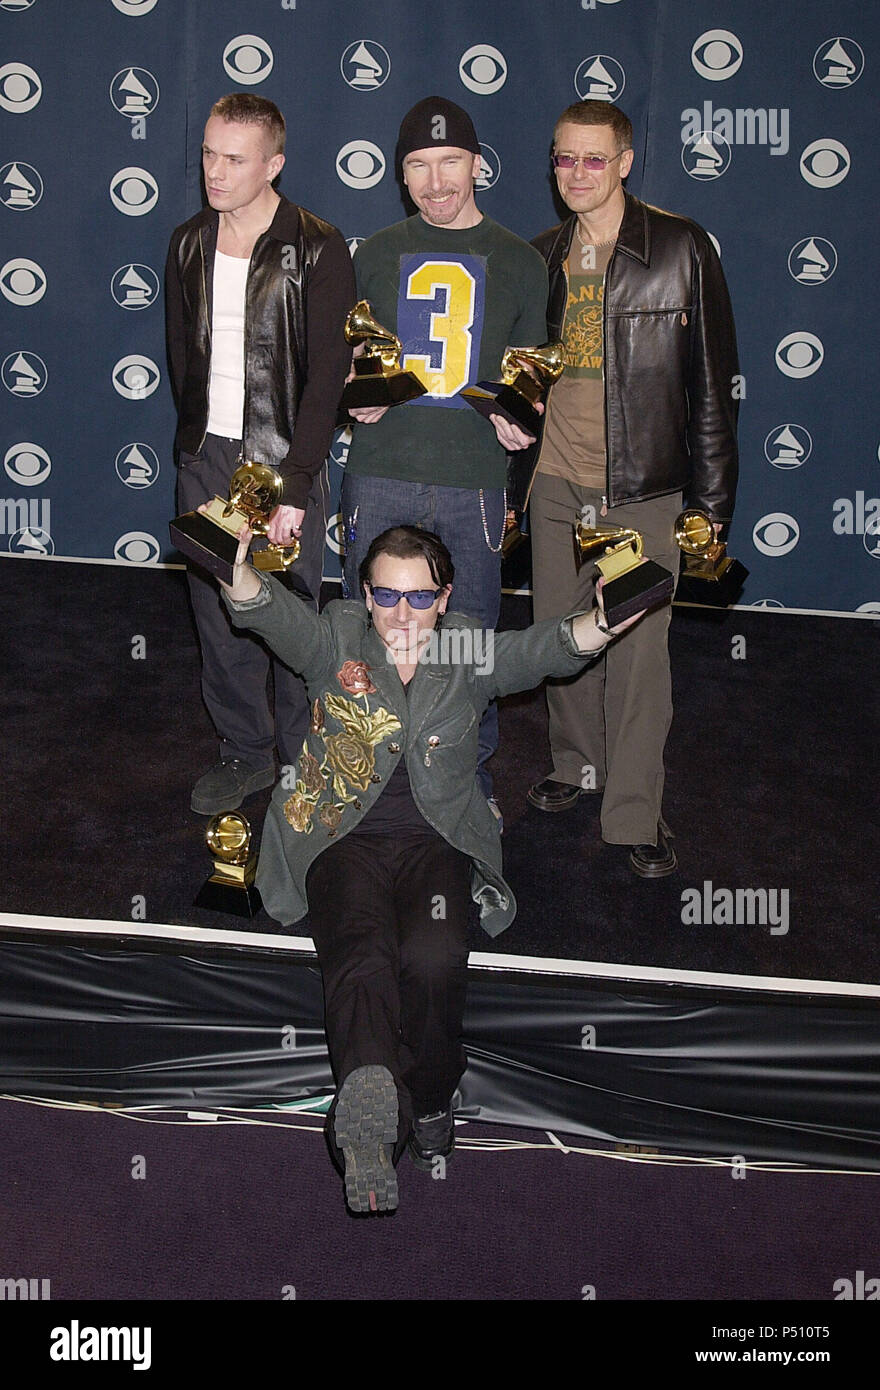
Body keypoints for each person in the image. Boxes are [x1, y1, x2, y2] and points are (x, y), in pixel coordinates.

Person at [218, 523, 641, 1213]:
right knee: (361, 957)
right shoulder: (337, 638)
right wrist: (232, 569)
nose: (401, 614)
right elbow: (270, 614)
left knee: (436, 955)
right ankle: (371, 1129)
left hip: (436, 841)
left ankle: (434, 1093)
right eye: (385, 594)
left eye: (419, 598)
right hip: (340, 837)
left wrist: (603, 621)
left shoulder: (468, 651)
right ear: (364, 591)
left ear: (444, 599)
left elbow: (544, 654)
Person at [514, 100, 739, 877]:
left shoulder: (679, 249)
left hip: (642, 490)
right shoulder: (542, 254)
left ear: (626, 161)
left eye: (592, 159)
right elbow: (529, 381)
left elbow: (712, 390)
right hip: (553, 484)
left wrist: (709, 512)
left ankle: (635, 811)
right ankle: (577, 767)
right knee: (560, 636)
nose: (576, 174)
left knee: (640, 656)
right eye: (562, 159)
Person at [340, 95, 549, 817]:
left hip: (474, 480)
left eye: (450, 162)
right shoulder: (374, 254)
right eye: (418, 166)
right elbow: (358, 360)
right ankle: (358, 767)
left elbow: (530, 376)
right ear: (401, 176)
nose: (436, 181)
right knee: (368, 630)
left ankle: (468, 777)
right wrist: (354, 388)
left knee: (467, 640)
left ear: (478, 164)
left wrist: (526, 412)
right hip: (382, 467)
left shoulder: (522, 262)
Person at [165, 93, 355, 815]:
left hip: (281, 464)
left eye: (234, 158)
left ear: (274, 163)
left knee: (289, 619)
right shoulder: (187, 241)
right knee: (218, 616)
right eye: (209, 153)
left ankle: (304, 761)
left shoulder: (317, 244)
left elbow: (327, 376)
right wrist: (193, 448)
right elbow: (182, 352)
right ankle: (244, 754)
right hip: (205, 458)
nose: (215, 170)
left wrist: (299, 483)